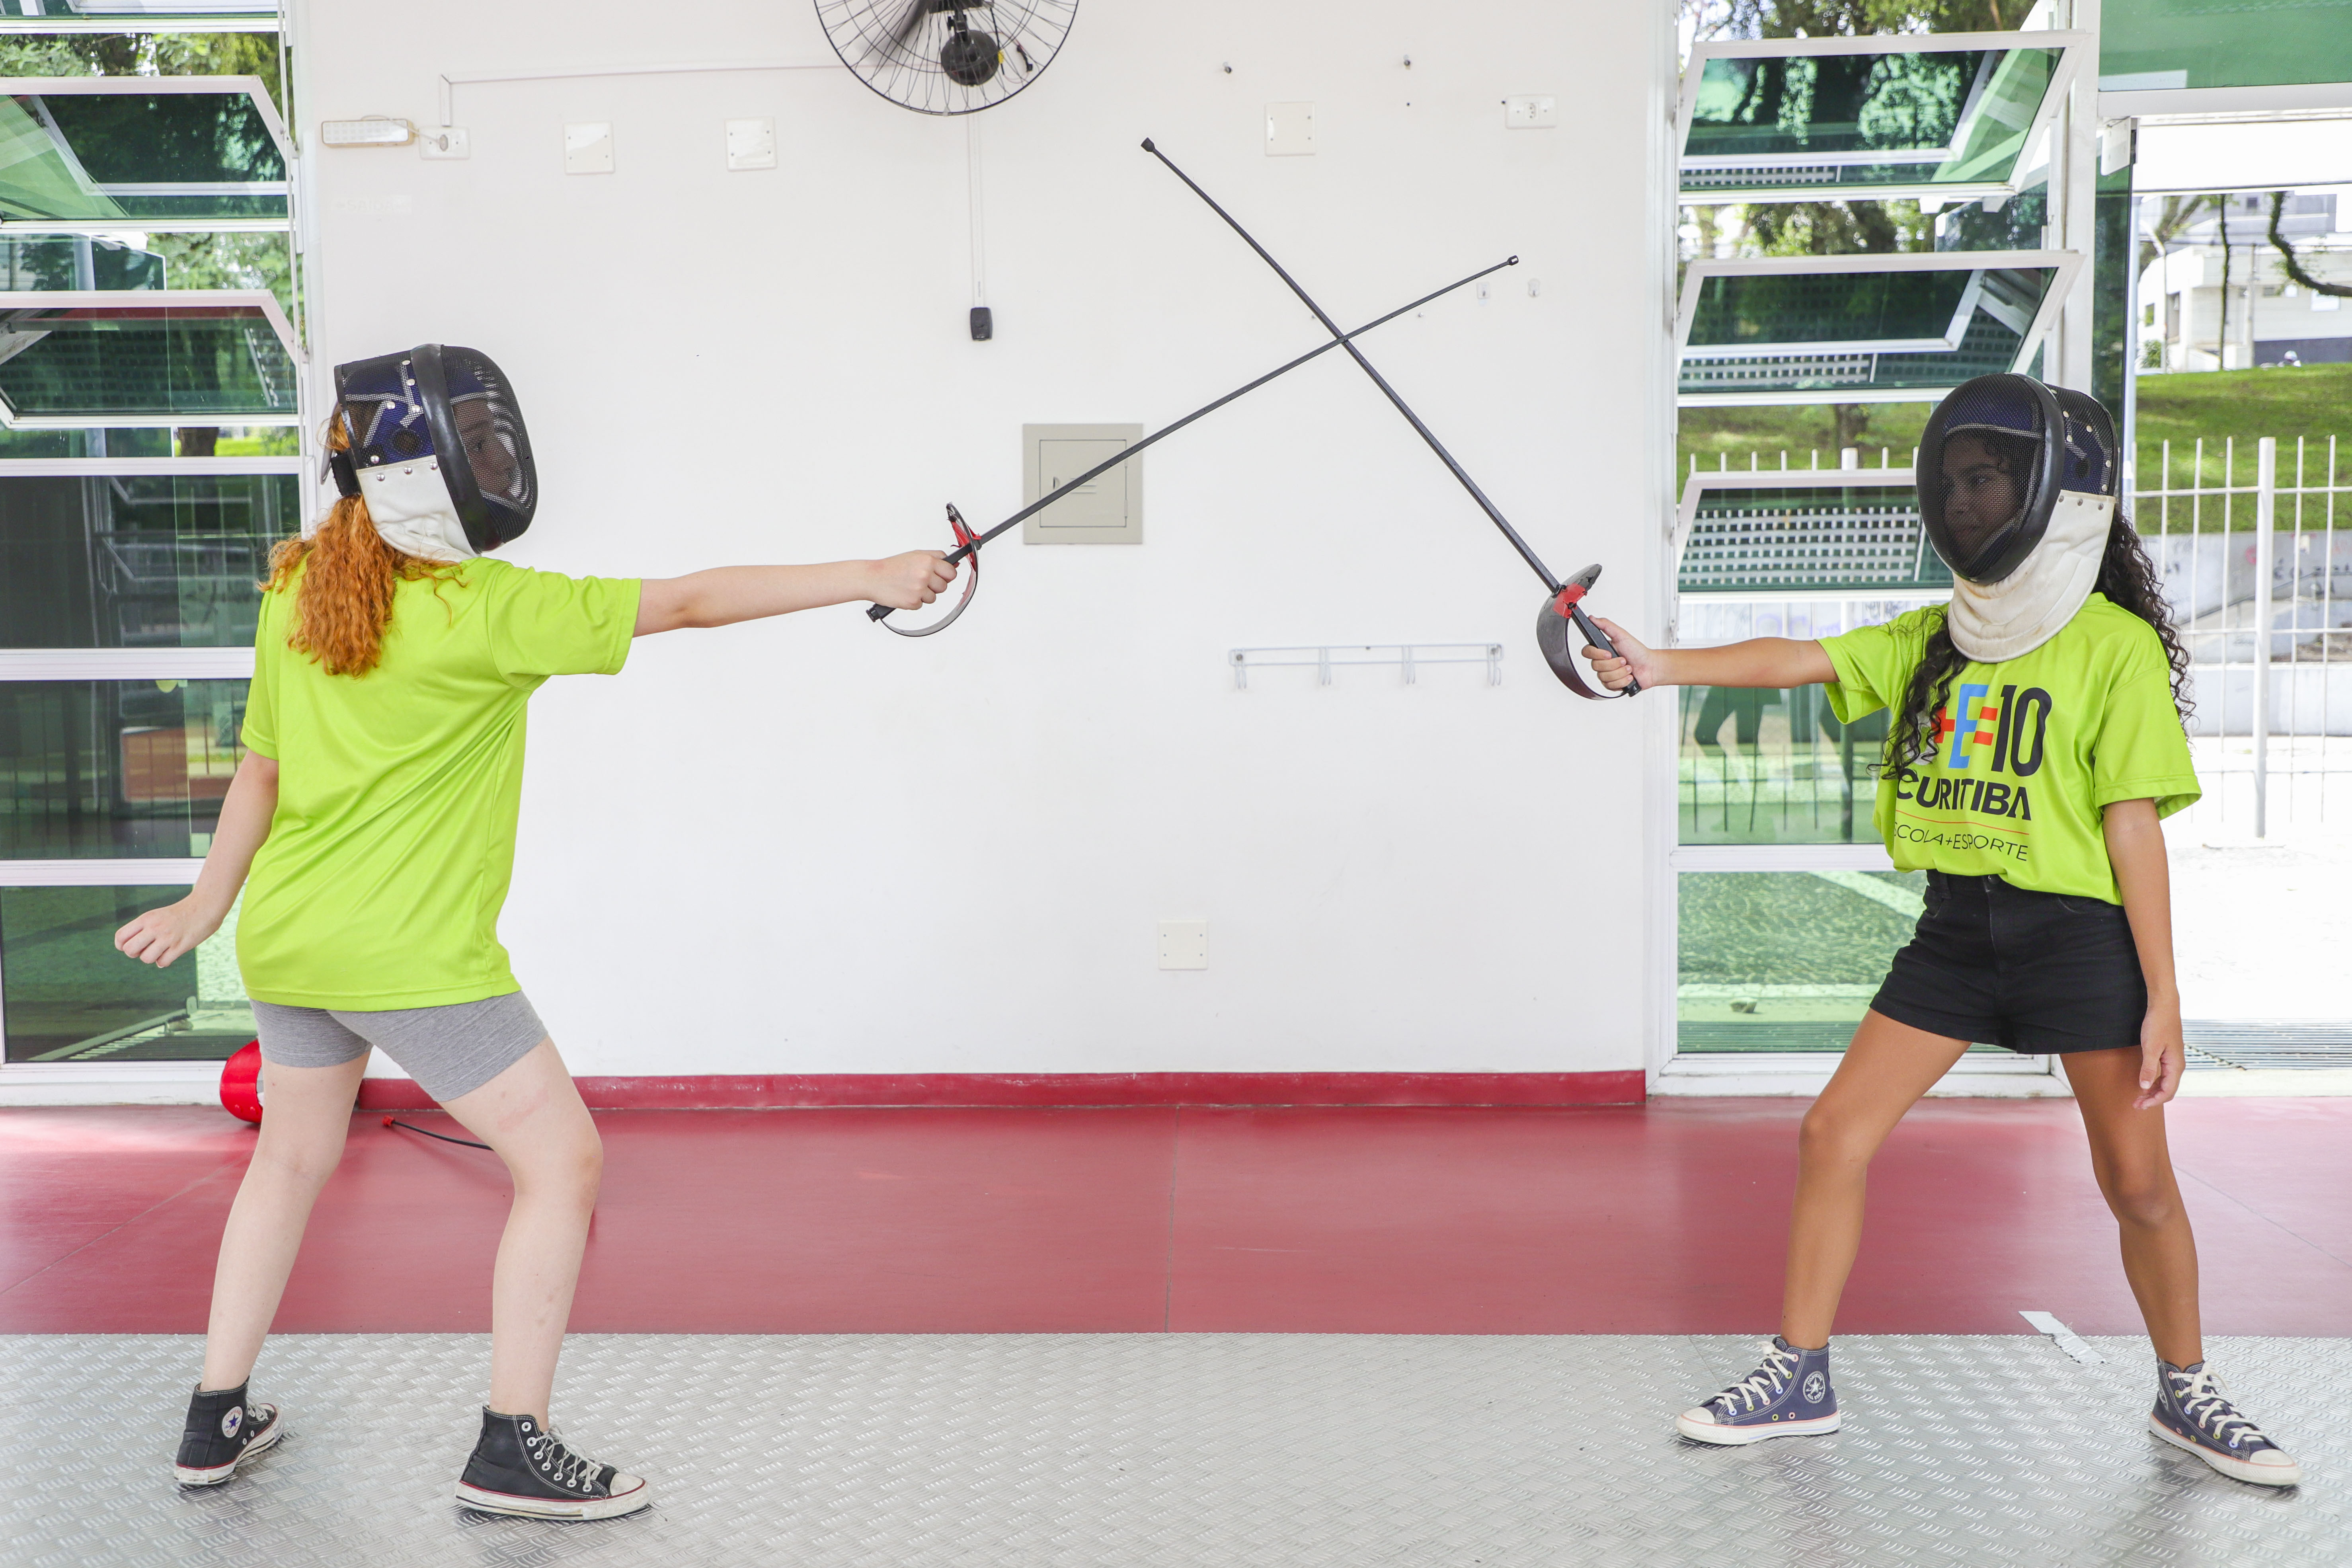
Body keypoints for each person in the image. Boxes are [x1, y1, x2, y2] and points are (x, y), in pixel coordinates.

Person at [115, 344, 958, 1519]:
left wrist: (210, 903)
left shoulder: (294, 591)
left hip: (290, 936)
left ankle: (214, 1417)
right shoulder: (487, 610)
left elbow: (258, 767)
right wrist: (877, 567)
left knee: (290, 1161)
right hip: (405, 954)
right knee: (560, 1163)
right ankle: (512, 1443)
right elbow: (690, 603)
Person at [1580, 374, 2300, 1488]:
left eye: (1991, 478)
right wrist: (1659, 663)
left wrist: (2165, 995)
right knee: (1833, 1132)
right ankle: (1800, 1371)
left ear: (2060, 495)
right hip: (1957, 932)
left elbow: (2132, 827)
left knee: (2139, 1184)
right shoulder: (1940, 635)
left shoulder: (2114, 650)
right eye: (1957, 479)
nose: (1968, 499)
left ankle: (2188, 1388)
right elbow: (1802, 658)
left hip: (2077, 938)